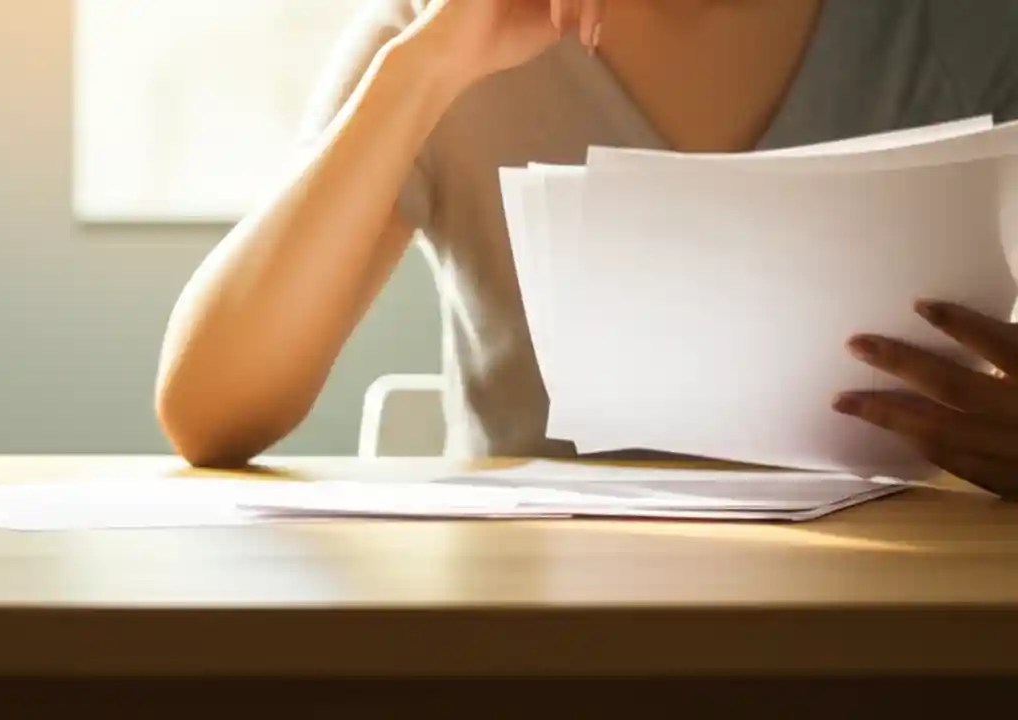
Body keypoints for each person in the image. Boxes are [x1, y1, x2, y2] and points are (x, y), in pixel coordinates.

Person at [155, 0, 1018, 497]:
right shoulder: (441, 28)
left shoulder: (969, 31)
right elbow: (210, 412)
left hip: (890, 633)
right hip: (528, 636)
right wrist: (425, 69)